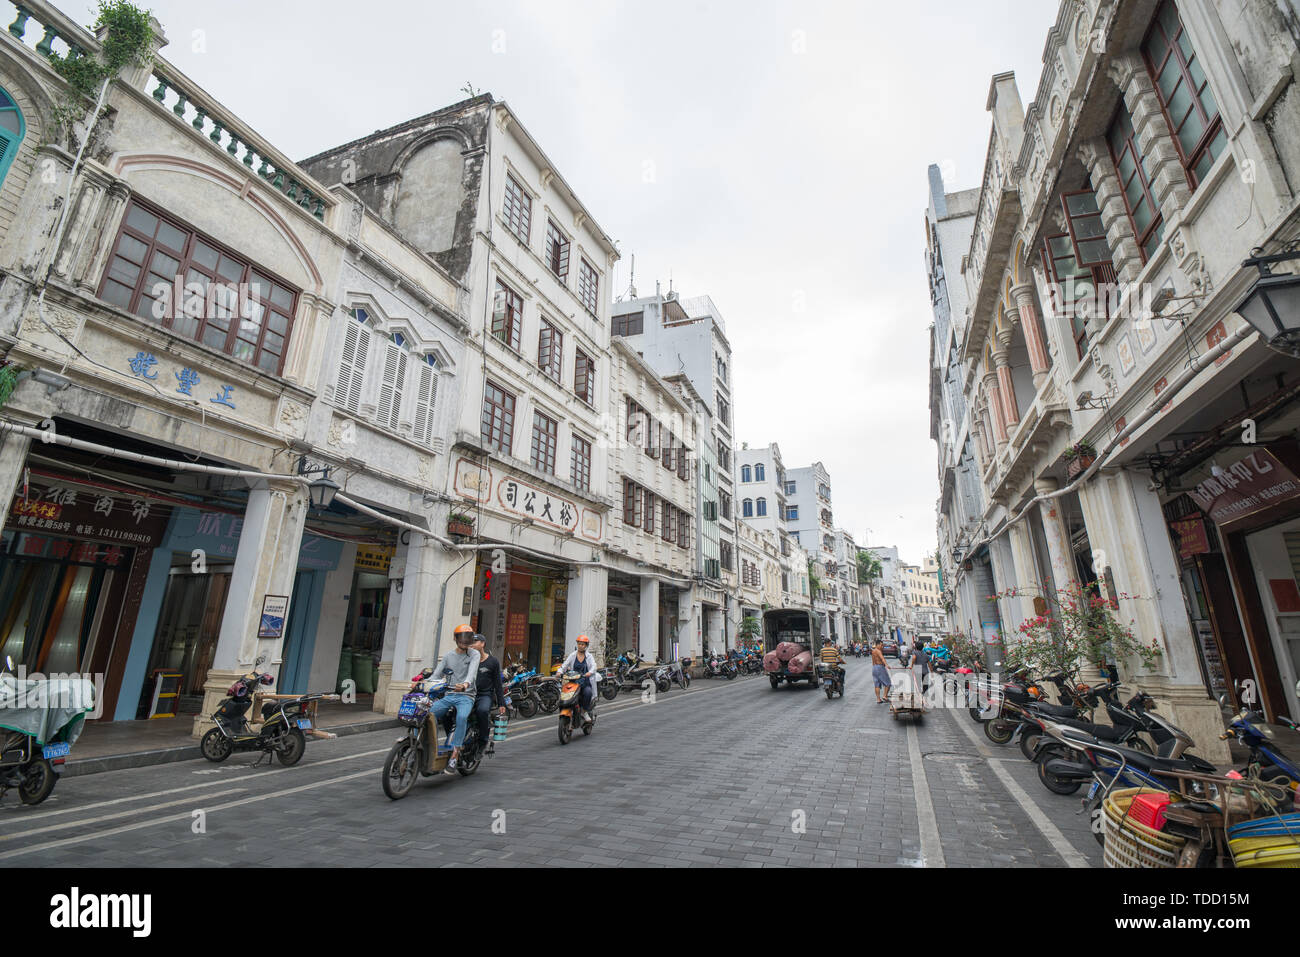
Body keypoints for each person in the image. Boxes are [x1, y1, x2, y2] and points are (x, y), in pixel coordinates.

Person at [429, 624, 480, 773]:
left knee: (462, 717)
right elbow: (436, 675)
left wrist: (465, 684)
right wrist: (424, 683)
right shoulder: (448, 656)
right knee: (428, 714)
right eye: (462, 637)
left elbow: (472, 673)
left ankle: (455, 754)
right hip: (449, 695)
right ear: (455, 638)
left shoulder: (474, 655)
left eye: (468, 638)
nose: (464, 641)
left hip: (466, 696)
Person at [470, 634, 506, 755]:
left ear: (482, 644)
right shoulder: (467, 660)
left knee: (483, 711)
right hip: (468, 694)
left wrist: (502, 703)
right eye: (471, 642)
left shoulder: (492, 661)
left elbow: (497, 684)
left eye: (475, 642)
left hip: (484, 695)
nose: (472, 644)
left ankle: (483, 741)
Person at [555, 634, 599, 718]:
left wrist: (590, 672)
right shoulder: (572, 655)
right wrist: (559, 672)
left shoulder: (589, 656)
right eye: (579, 644)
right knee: (565, 694)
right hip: (573, 682)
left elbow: (594, 666)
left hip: (585, 682)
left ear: (586, 646)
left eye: (583, 644)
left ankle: (584, 711)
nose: (580, 646)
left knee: (588, 692)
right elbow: (564, 666)